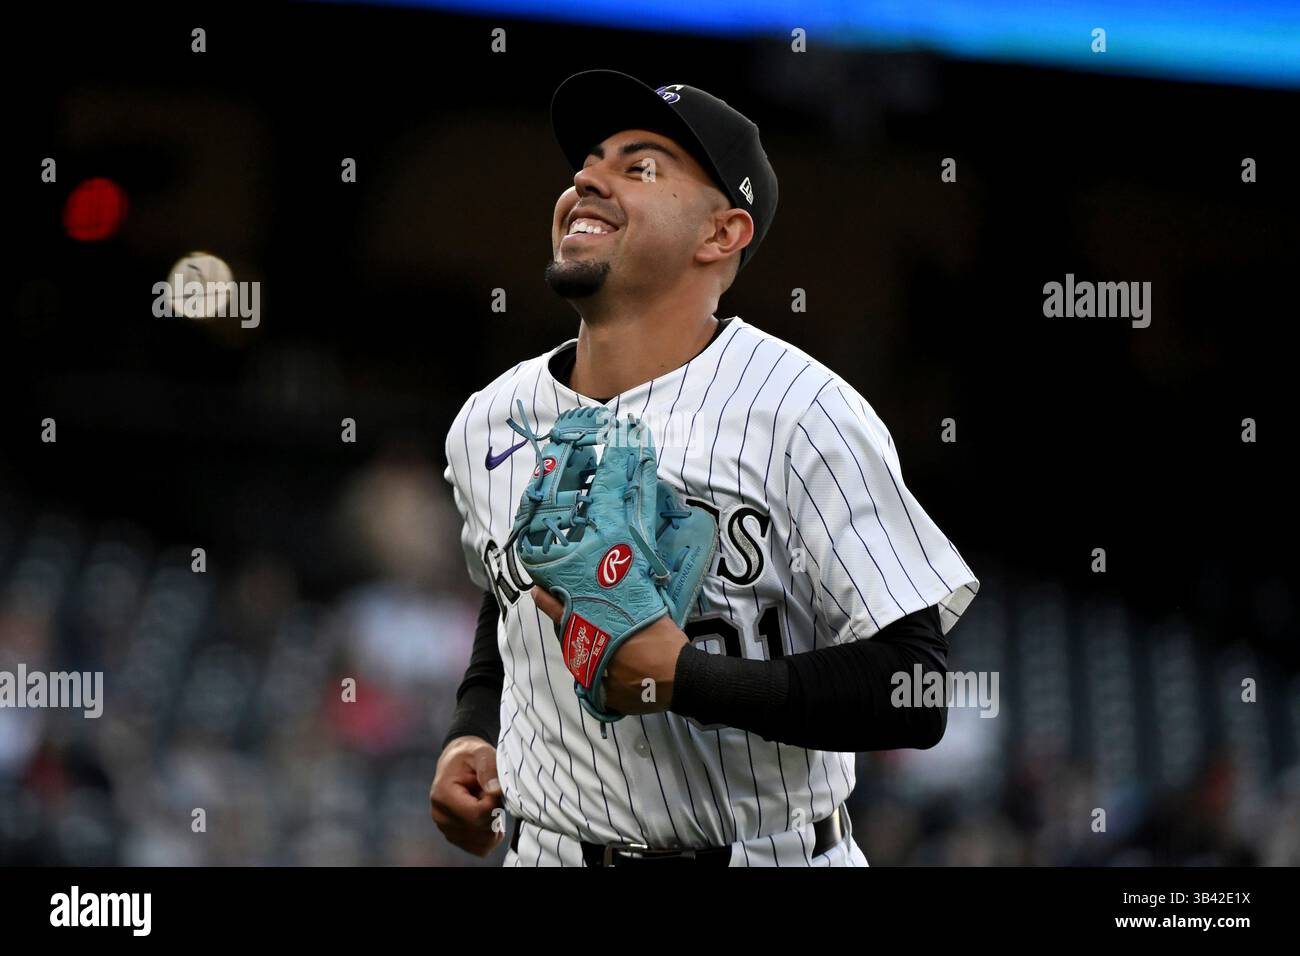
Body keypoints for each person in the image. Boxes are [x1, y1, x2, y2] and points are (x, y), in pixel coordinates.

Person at [429, 70, 979, 866]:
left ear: (721, 234)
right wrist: (469, 734)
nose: (587, 178)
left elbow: (914, 690)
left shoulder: (804, 412)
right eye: (590, 159)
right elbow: (508, 599)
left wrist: (687, 678)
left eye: (639, 166)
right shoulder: (488, 420)